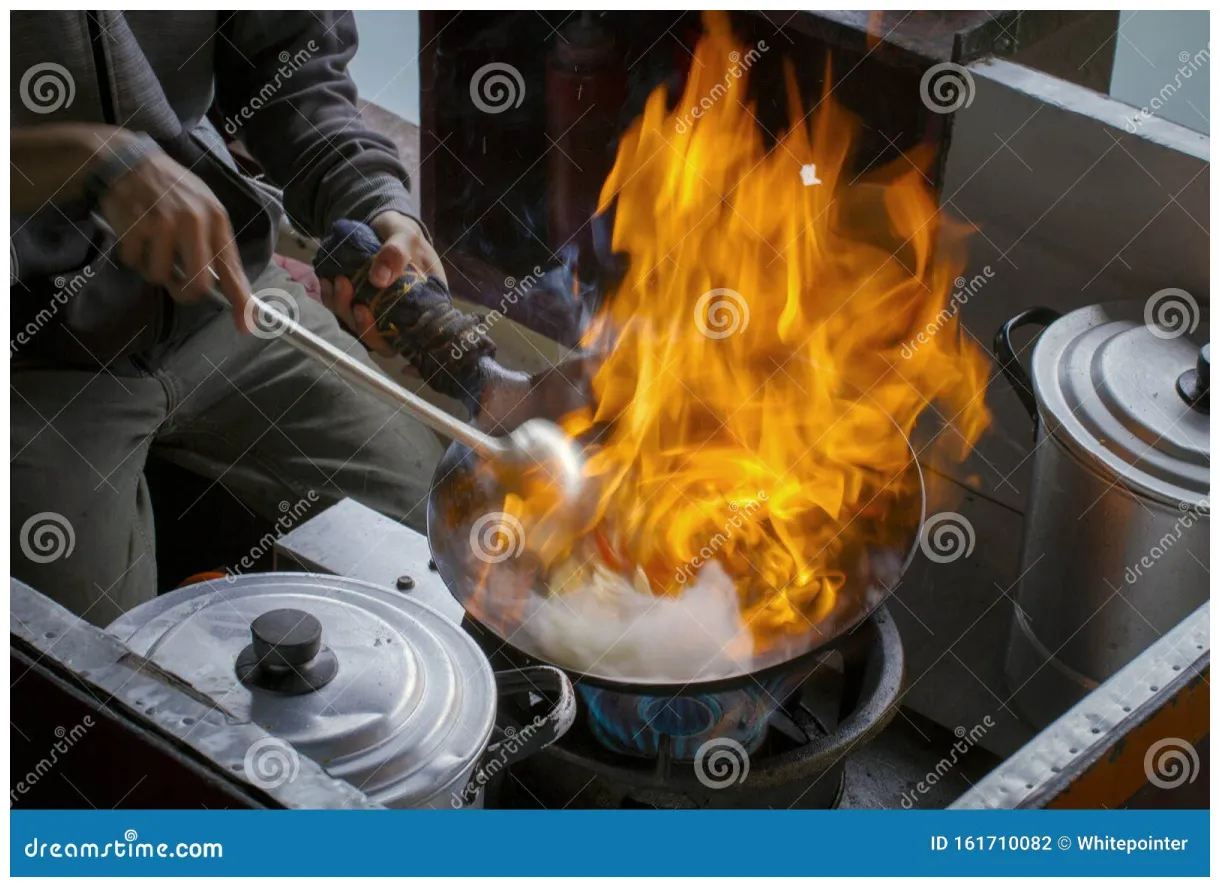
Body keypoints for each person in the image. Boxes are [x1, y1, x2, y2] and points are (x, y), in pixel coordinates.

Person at [10, 11, 517, 626]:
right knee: (93, 675)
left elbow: (292, 64)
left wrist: (377, 203)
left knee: (449, 532)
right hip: (38, 364)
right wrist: (82, 161)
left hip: (234, 300)